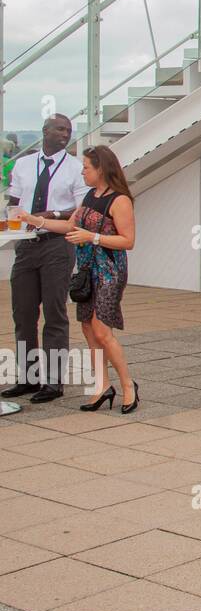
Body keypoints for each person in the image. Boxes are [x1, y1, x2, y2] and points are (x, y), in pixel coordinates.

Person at [15, 146, 138, 413]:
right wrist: (35, 220)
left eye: (86, 167)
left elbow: (128, 241)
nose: (82, 171)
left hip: (108, 272)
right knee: (88, 330)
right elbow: (70, 226)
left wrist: (91, 237)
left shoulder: (120, 200)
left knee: (103, 332)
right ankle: (102, 386)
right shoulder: (91, 197)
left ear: (101, 169)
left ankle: (129, 387)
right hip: (86, 273)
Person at [2, 114, 85, 403]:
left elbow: (79, 211)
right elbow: (14, 201)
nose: (65, 134)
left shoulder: (75, 168)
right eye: (60, 129)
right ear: (45, 131)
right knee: (23, 314)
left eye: (69, 130)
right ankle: (28, 378)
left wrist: (52, 215)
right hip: (26, 246)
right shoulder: (24, 165)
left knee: (54, 314)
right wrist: (12, 219)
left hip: (57, 245)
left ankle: (53, 382)